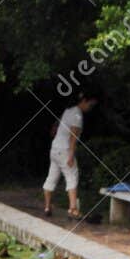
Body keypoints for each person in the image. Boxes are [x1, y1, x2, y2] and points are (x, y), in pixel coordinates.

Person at [43, 92, 97, 220]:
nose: (90, 108)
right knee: (72, 176)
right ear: (83, 101)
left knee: (52, 177)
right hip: (65, 149)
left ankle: (47, 206)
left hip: (55, 148)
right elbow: (73, 137)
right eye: (90, 104)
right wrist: (71, 155)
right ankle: (73, 209)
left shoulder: (68, 111)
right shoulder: (77, 115)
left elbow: (56, 127)